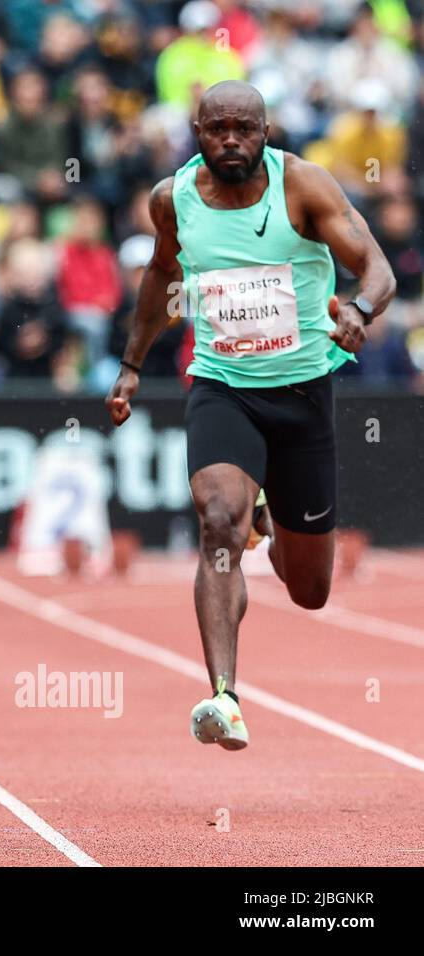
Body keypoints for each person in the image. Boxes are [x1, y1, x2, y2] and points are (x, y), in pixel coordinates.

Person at [106, 80, 396, 751]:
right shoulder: (171, 199)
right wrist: (130, 363)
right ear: (197, 132)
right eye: (216, 128)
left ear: (267, 131)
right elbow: (159, 276)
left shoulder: (304, 187)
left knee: (308, 589)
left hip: (302, 394)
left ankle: (266, 517)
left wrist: (359, 310)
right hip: (221, 385)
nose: (230, 139)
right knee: (215, 523)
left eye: (244, 127)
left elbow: (375, 268)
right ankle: (224, 697)